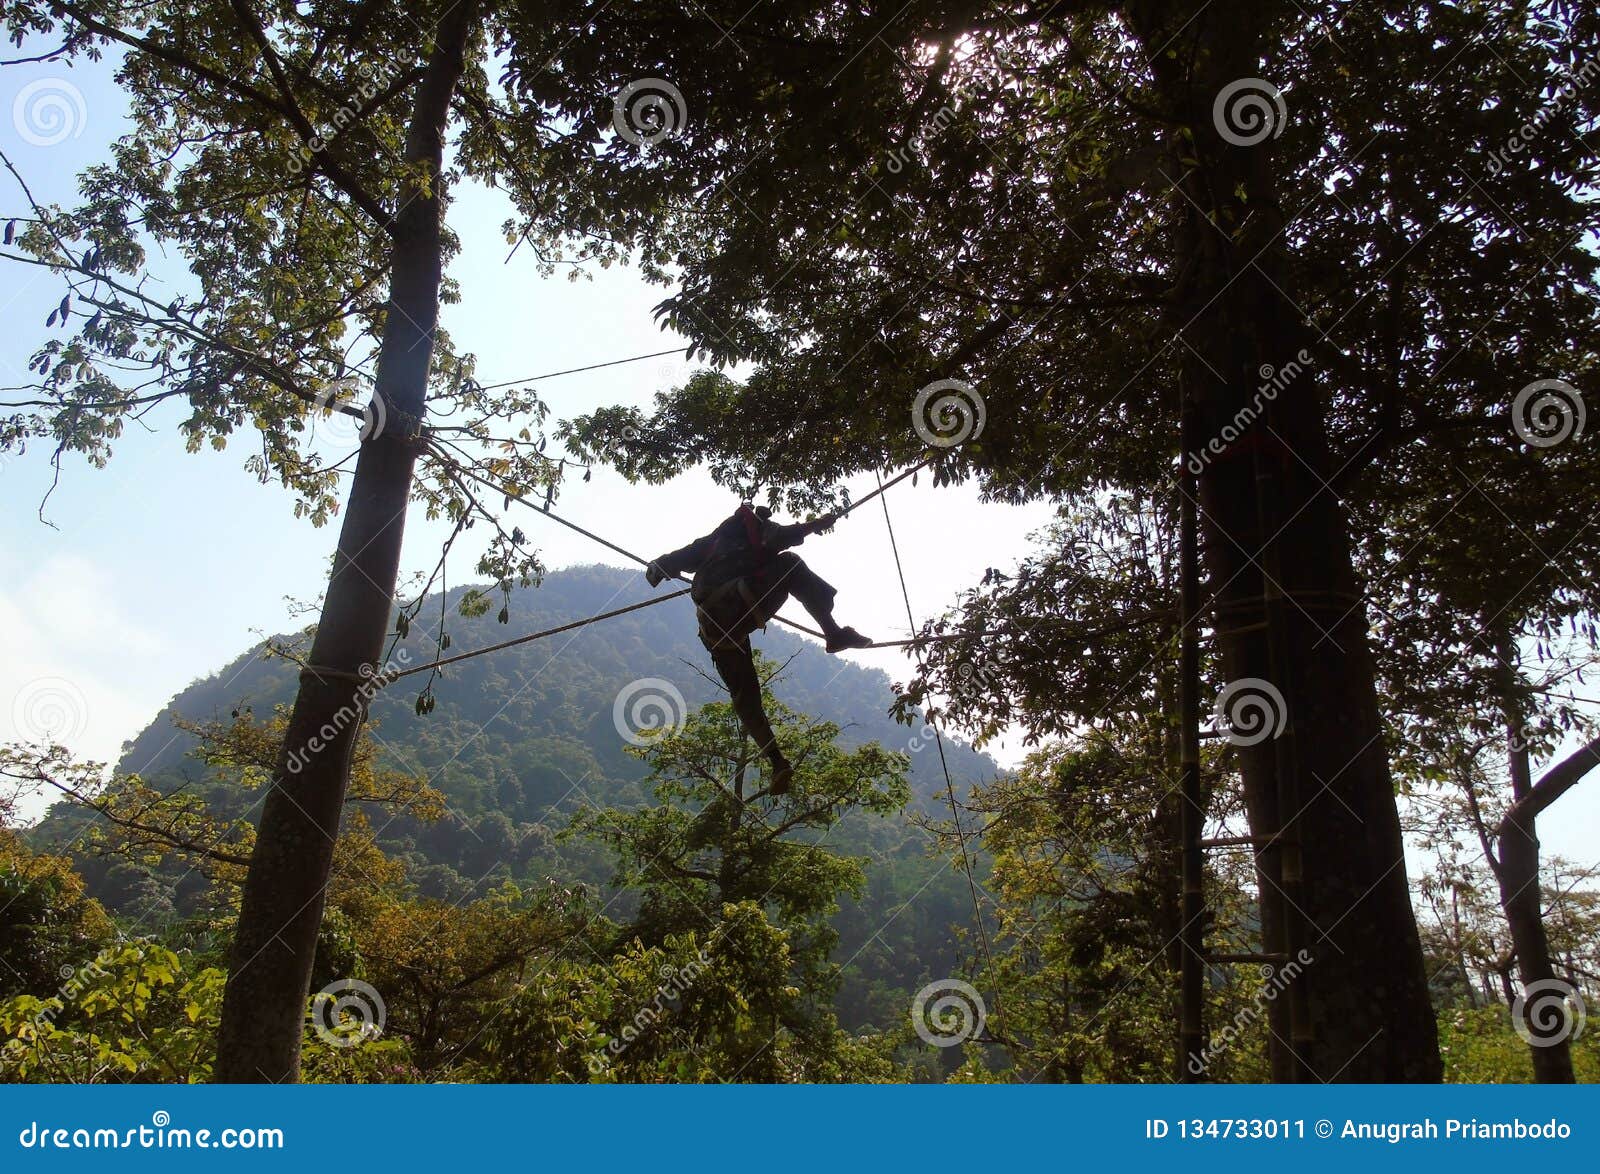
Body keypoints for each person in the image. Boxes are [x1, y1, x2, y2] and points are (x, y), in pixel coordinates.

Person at [644, 502, 872, 794]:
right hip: (740, 604)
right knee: (791, 563)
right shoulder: (756, 532)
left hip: (719, 631)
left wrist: (659, 568)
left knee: (745, 699)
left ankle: (778, 763)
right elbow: (786, 536)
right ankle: (834, 633)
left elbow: (662, 566)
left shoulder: (709, 543)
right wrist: (817, 524)